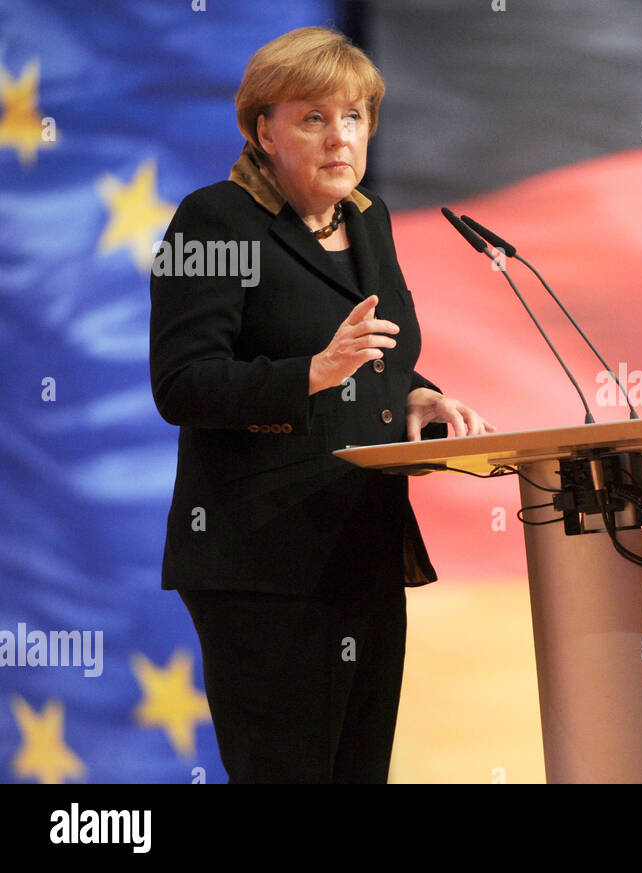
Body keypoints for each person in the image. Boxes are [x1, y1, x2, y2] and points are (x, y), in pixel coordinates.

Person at [148, 26, 494, 783]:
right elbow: (182, 383)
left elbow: (383, 358)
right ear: (261, 130)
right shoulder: (213, 223)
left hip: (361, 544)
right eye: (313, 118)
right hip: (262, 558)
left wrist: (419, 396)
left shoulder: (367, 217)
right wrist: (311, 372)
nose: (340, 138)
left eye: (354, 116)